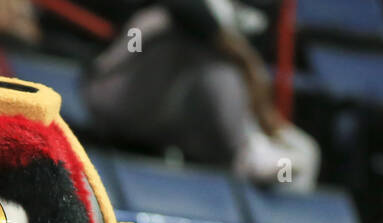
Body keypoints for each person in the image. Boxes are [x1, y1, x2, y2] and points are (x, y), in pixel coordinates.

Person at [83, 0, 320, 191]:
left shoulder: (253, 12)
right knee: (198, 42)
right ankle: (246, 149)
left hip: (182, 115)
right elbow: (189, 11)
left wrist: (263, 114)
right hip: (116, 91)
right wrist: (244, 60)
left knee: (305, 153)